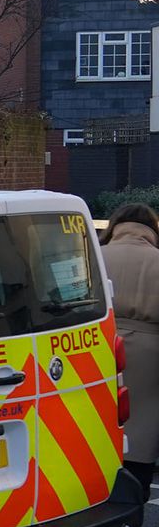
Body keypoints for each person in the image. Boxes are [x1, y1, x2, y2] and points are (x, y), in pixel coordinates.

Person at [101, 202, 159, 500]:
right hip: (150, 355)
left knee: (96, 420)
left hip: (96, 346)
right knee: (142, 428)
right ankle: (135, 495)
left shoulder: (94, 255)